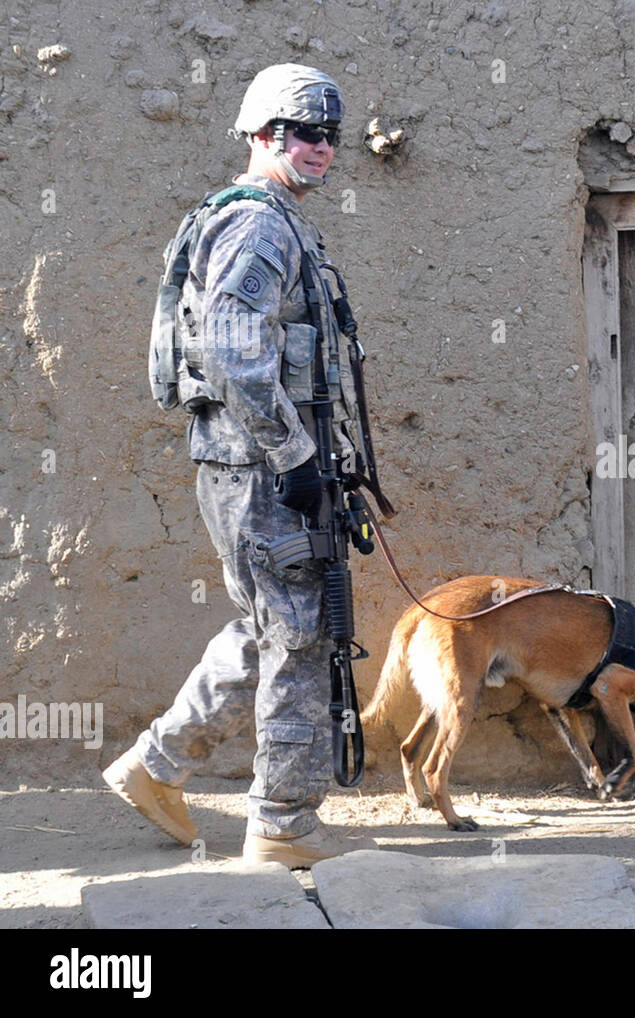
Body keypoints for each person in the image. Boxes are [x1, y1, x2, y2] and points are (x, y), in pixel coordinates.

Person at [104, 64, 377, 869]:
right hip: (261, 471)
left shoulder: (278, 220)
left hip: (255, 466)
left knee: (272, 628)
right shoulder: (259, 225)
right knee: (298, 635)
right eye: (303, 132)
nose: (321, 147)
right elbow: (231, 347)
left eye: (330, 135)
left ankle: (155, 767)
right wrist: (294, 457)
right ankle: (284, 827)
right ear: (262, 136)